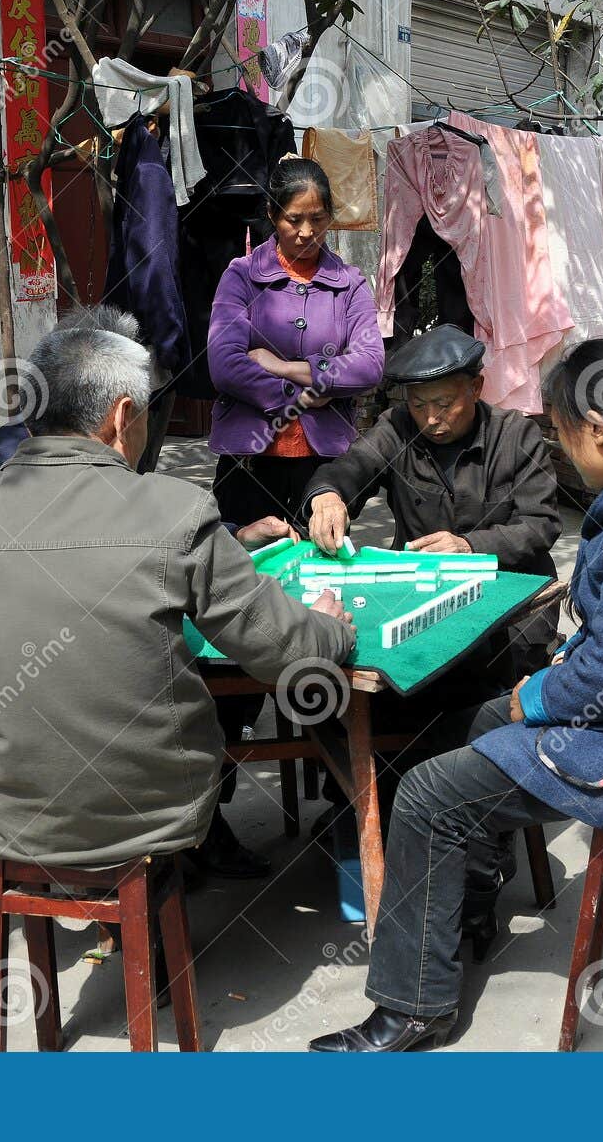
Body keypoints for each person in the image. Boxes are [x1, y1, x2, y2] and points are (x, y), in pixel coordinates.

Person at [308, 339, 603, 1052]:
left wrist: (538, 695)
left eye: (563, 429)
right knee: (453, 732)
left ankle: (412, 1005)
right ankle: (463, 914)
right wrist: (538, 690)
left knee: (428, 790)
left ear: (599, 426)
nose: (560, 444)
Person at [0, 305, 356, 873]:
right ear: (123, 416)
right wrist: (329, 626)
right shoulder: (176, 510)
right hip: (151, 812)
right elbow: (285, 650)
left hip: (2, 813)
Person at [205, 157, 384, 873]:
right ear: (272, 217)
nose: (305, 232)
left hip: (324, 470)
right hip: (248, 469)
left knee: (325, 611)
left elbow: (371, 365)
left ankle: (348, 809)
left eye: (317, 219)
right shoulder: (241, 277)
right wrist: (319, 378)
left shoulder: (350, 281)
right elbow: (222, 364)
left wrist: (286, 373)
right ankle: (207, 816)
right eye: (292, 220)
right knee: (232, 626)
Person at [304, 323, 562, 681]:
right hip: (421, 587)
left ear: (476, 388)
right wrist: (328, 495)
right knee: (381, 663)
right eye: (418, 404)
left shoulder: (517, 435)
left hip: (508, 586)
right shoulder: (397, 427)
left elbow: (540, 524)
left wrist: (470, 546)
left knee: (506, 675)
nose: (430, 419)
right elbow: (354, 465)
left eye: (444, 404)